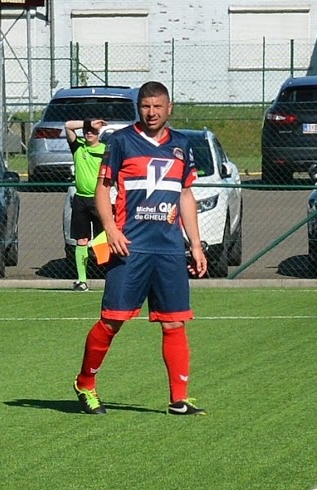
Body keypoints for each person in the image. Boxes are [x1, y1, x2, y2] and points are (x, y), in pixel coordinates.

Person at [74, 80, 207, 416]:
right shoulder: (120, 141)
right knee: (112, 320)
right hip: (130, 247)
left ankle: (179, 399)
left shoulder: (181, 144)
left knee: (174, 322)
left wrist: (195, 244)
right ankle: (85, 383)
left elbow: (186, 195)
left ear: (169, 108)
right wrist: (111, 229)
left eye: (157, 106)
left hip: (168, 249)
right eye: (146, 106)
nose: (151, 112)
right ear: (139, 108)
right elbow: (103, 189)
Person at [65, 116, 108, 291]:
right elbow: (68, 125)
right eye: (87, 130)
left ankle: (109, 275)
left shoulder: (106, 150)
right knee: (81, 240)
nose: (89, 133)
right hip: (80, 199)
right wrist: (88, 123)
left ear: (99, 133)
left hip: (99, 200)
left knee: (103, 239)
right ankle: (81, 280)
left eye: (93, 130)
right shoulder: (78, 146)